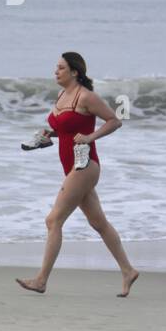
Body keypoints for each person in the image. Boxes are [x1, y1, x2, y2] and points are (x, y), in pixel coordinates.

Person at [16, 52, 139, 297]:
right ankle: (128, 270)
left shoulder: (87, 96)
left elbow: (114, 121)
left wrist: (91, 137)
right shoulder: (62, 95)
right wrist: (46, 135)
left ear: (75, 72)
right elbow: (65, 130)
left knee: (53, 220)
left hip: (85, 167)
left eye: (61, 68)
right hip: (70, 166)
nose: (56, 71)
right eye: (56, 67)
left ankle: (41, 280)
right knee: (98, 223)